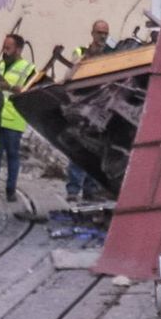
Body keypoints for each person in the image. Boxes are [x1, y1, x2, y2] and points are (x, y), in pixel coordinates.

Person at [0, 34, 36, 213]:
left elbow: (28, 91)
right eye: (4, 46)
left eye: (9, 47)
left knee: (12, 155)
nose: (5, 49)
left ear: (19, 49)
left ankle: (10, 189)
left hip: (14, 118)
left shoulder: (28, 68)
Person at [65, 19, 112, 200]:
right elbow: (71, 74)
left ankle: (90, 190)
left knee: (96, 151)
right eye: (99, 32)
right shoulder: (81, 52)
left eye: (105, 33)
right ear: (92, 33)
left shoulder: (112, 55)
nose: (102, 36)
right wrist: (85, 59)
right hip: (82, 106)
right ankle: (73, 190)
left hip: (101, 108)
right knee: (78, 149)